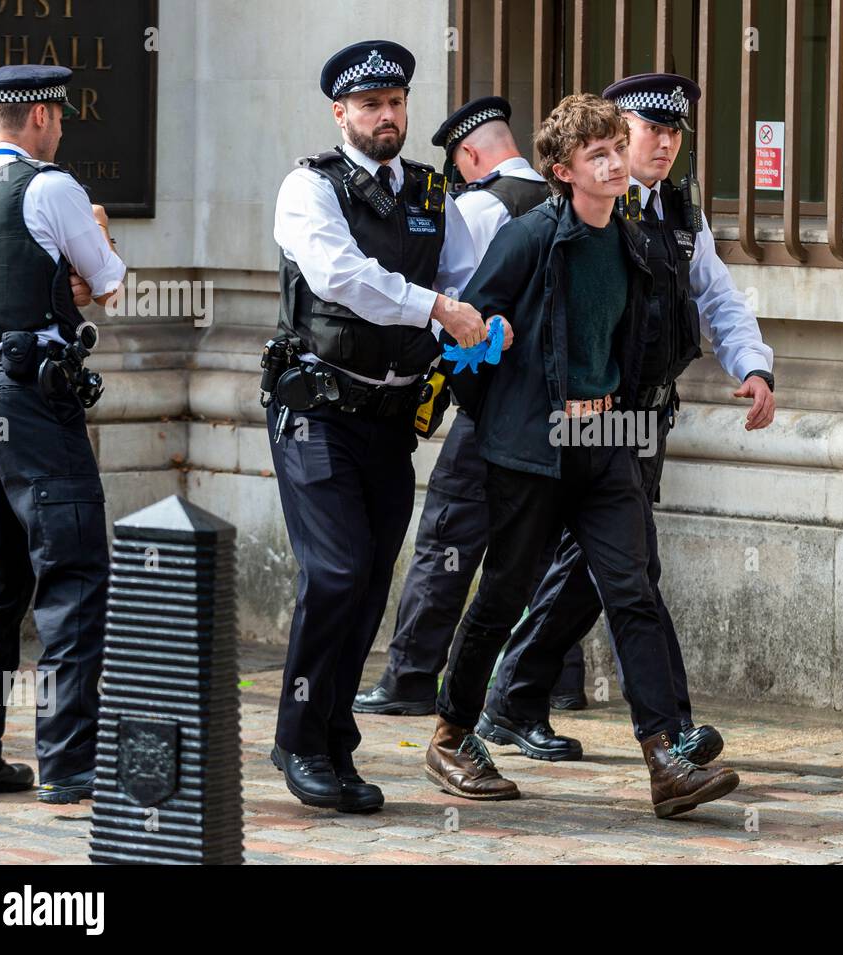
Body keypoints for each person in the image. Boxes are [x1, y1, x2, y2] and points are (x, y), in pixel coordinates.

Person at [424, 94, 739, 819]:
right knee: (503, 590)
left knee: (630, 588)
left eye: (614, 147)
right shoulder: (529, 236)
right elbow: (467, 332)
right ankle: (451, 732)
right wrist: (505, 398)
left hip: (606, 440)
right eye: (595, 153)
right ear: (564, 171)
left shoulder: (633, 239)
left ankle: (665, 759)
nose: (613, 161)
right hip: (532, 444)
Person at [479, 73, 776, 763]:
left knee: (601, 565)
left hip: (645, 418)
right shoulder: (584, 213)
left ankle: (511, 698)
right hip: (589, 418)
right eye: (651, 130)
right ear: (616, 136)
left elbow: (719, 301)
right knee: (631, 569)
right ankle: (671, 731)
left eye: (675, 133)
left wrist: (753, 366)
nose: (665, 143)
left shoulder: (680, 215)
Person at [266, 40, 501, 813]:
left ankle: (335, 741)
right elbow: (340, 276)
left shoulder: (435, 195)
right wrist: (436, 308)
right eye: (371, 105)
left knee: (366, 583)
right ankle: (298, 739)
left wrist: (486, 324)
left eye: (396, 103)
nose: (387, 116)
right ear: (342, 114)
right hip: (317, 413)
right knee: (334, 573)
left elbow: (467, 279)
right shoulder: (310, 188)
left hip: (391, 422)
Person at [353, 96, 585, 719]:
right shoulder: (580, 201)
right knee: (546, 541)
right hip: (570, 409)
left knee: (448, 537)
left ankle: (410, 677)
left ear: (469, 155)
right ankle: (553, 681)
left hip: (495, 407)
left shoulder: (475, 207)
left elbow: (450, 306)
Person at [0, 65, 125, 805]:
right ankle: (67, 758)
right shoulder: (51, 186)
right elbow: (111, 282)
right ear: (41, 120)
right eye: (57, 117)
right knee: (74, 568)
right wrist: (97, 241)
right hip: (30, 394)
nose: (60, 129)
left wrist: (65, 278)